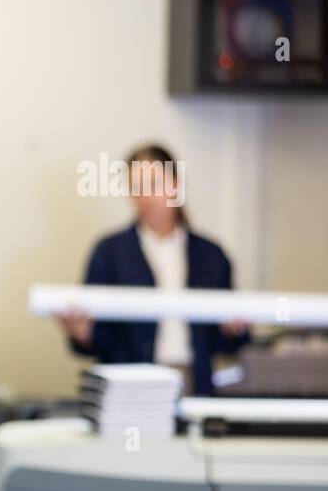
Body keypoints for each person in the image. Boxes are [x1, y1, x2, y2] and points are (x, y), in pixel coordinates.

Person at [57, 144, 249, 395]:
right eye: (136, 188)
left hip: (193, 382)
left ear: (176, 186)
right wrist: (83, 334)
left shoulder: (211, 255)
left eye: (153, 185)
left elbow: (220, 342)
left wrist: (234, 330)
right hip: (129, 386)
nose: (144, 197)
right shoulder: (109, 252)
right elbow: (99, 340)